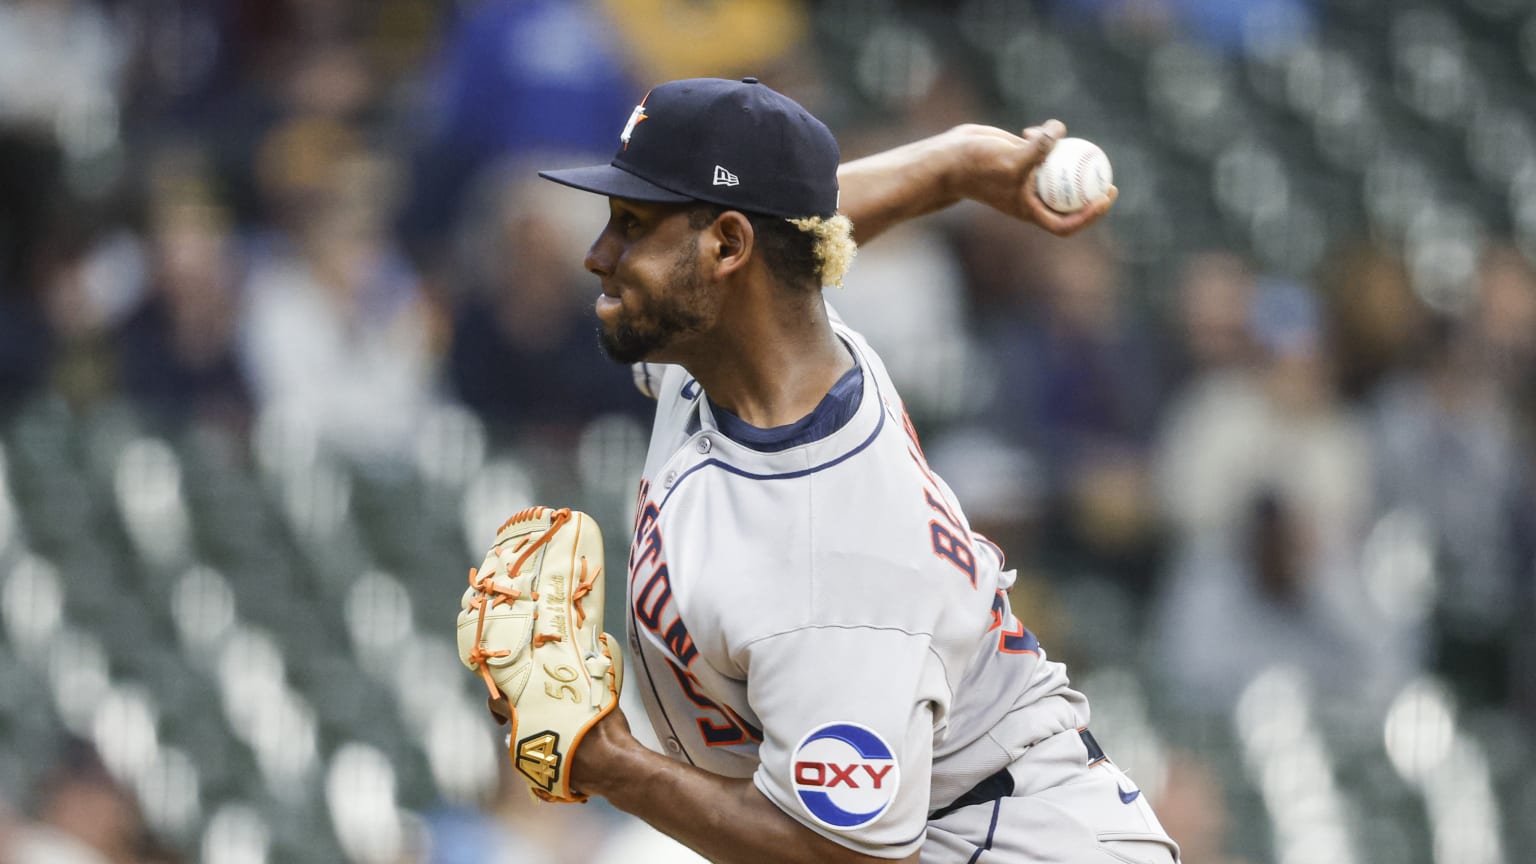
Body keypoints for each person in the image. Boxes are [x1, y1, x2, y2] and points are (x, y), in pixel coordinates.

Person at [530, 77, 1174, 863]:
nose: (599, 255)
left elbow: (842, 854)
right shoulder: (737, 341)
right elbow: (793, 235)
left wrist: (610, 765)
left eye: (632, 224)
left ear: (727, 249)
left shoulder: (829, 549)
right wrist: (950, 168)